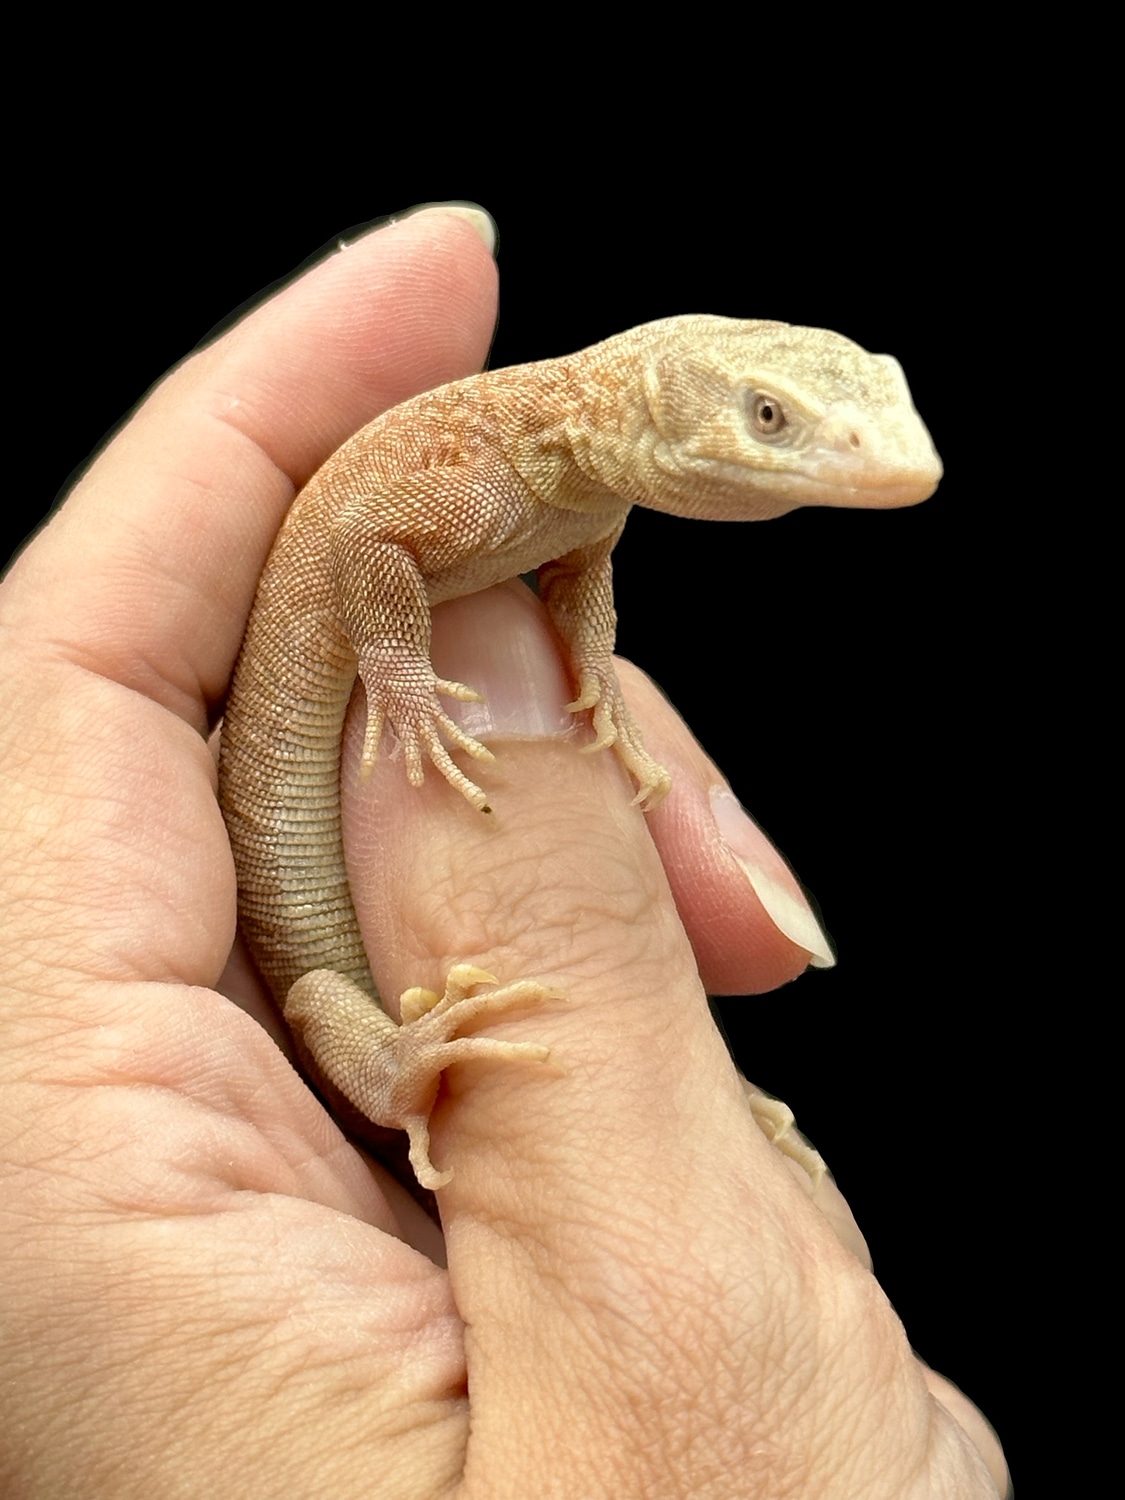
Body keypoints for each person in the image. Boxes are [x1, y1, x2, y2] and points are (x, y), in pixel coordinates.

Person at [0, 204, 1008, 1497]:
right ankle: (400, 1078)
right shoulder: (492, 461)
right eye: (768, 418)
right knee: (348, 1012)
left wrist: (583, 664)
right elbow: (371, 542)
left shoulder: (581, 476)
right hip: (300, 918)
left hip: (339, 946)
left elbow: (578, 560)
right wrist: (405, 681)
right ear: (659, 404)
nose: (845, 452)